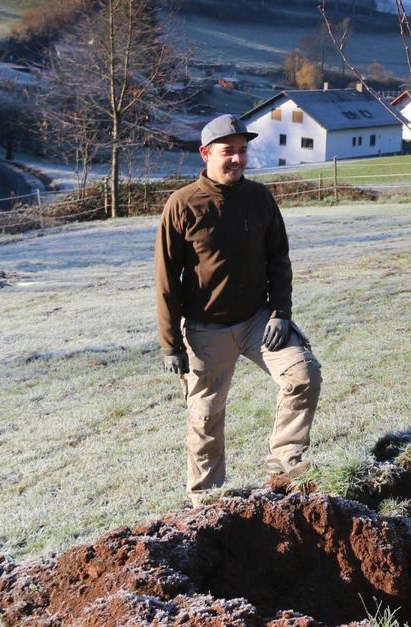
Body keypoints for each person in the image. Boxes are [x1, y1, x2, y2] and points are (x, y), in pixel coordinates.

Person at [155, 114, 322, 507]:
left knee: (304, 374)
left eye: (243, 151)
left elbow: (278, 259)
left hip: (257, 322)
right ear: (206, 153)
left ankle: (284, 464)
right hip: (205, 329)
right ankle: (207, 503)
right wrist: (170, 345)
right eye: (228, 151)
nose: (237, 159)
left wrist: (281, 313)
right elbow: (166, 281)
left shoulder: (260, 198)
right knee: (205, 418)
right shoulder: (182, 205)